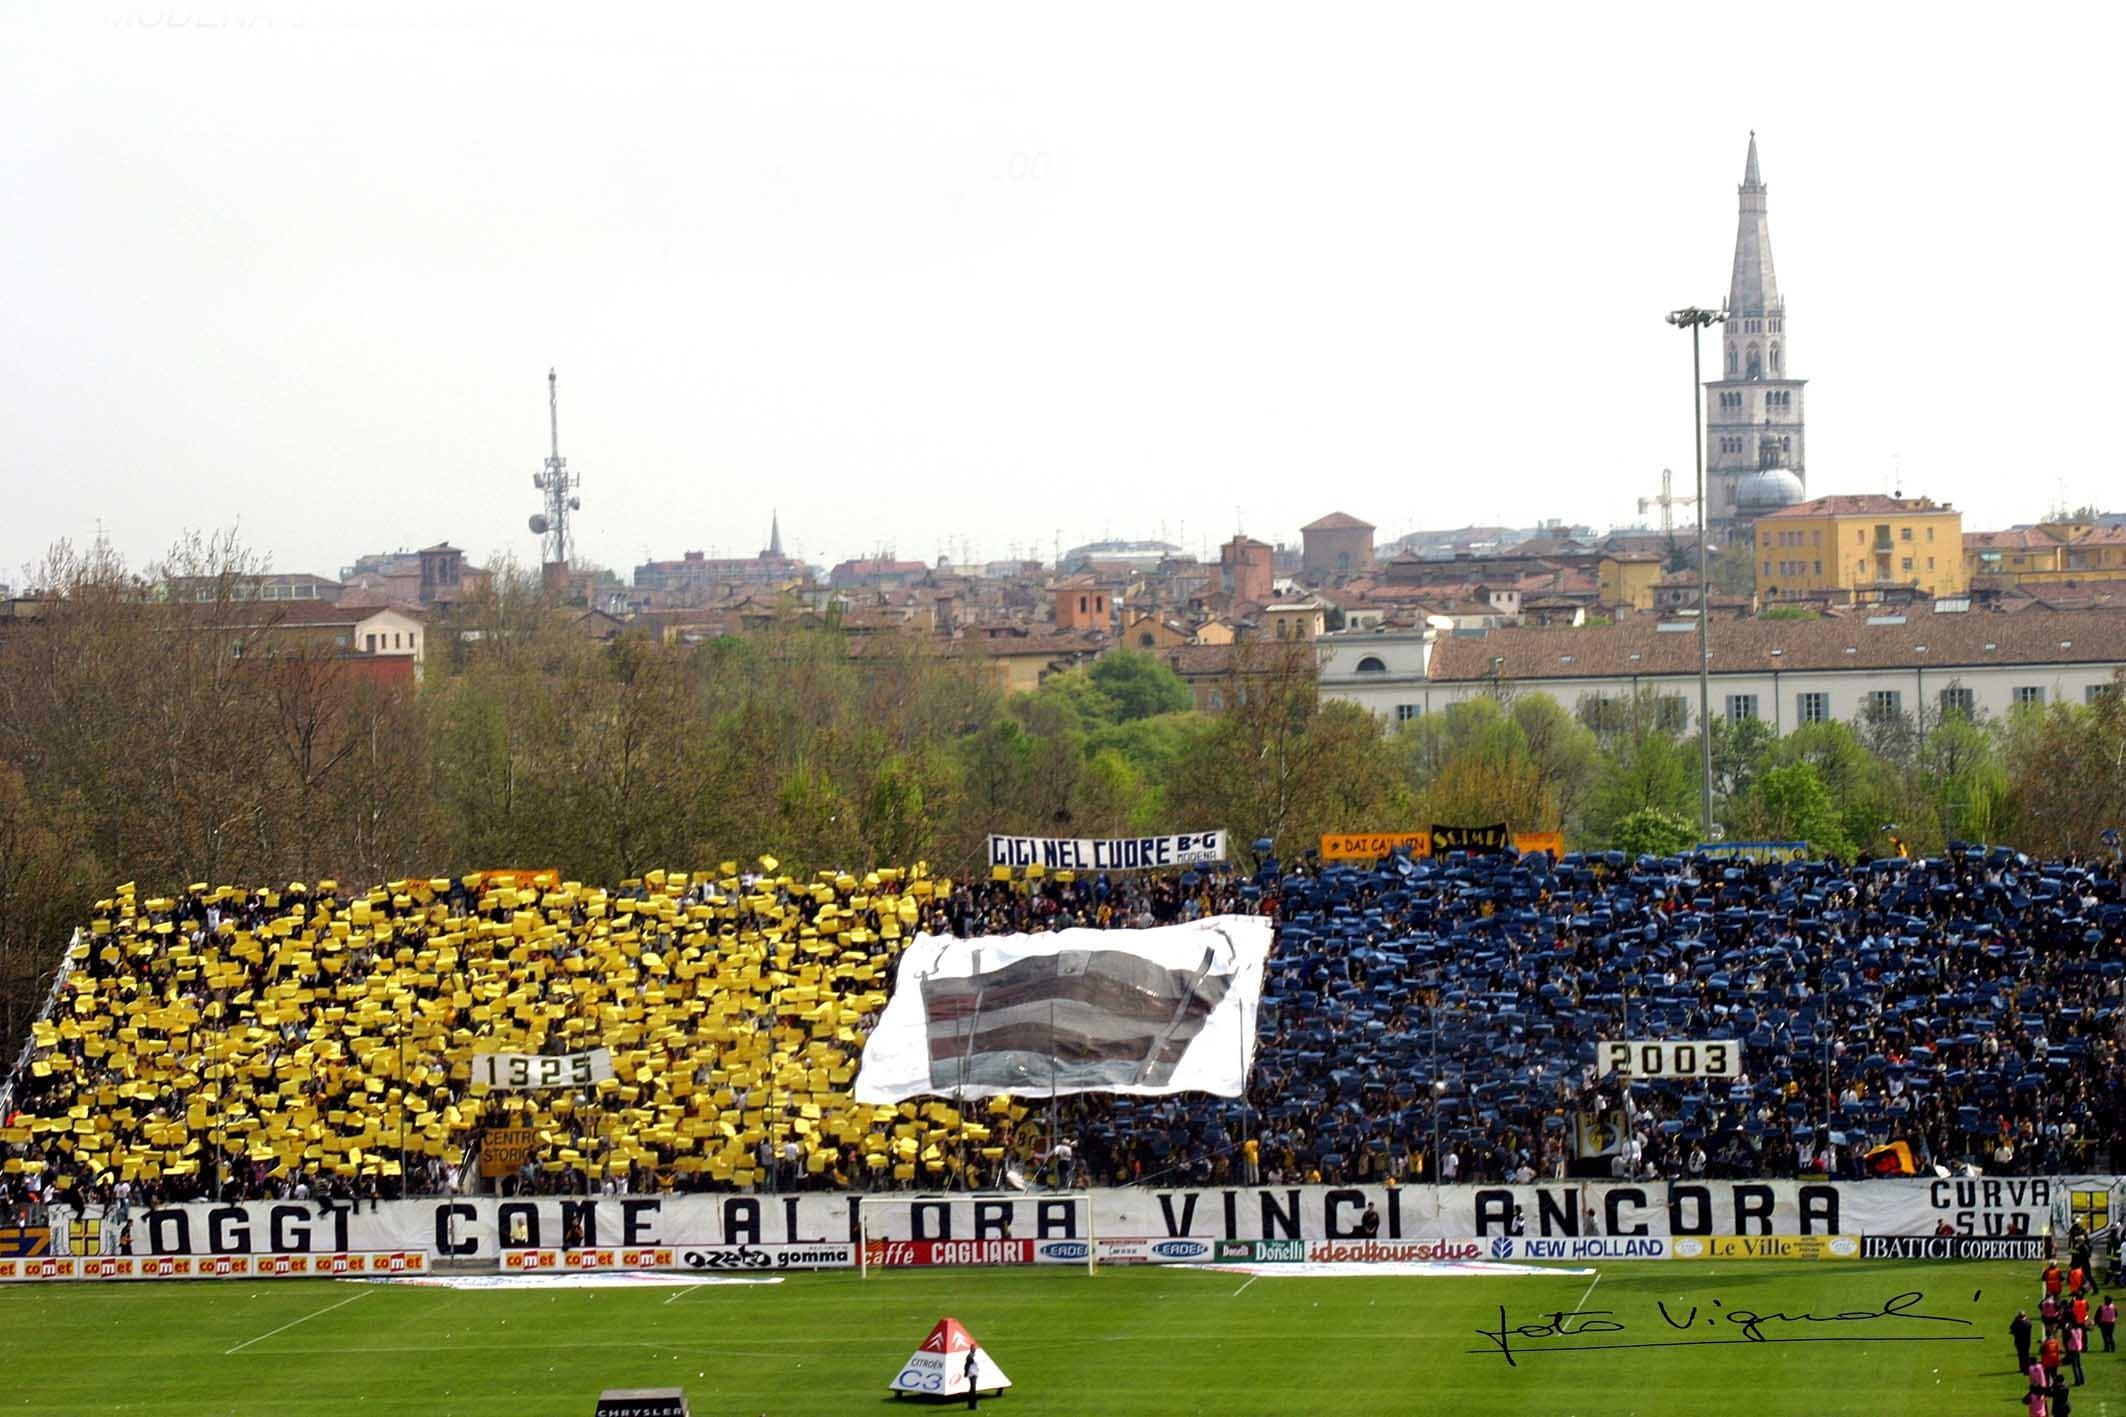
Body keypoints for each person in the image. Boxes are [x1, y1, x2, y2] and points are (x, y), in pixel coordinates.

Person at [2066, 1317, 2086, 1386]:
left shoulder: (2070, 1331)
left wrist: (2067, 1329)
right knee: (2079, 1365)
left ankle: (2078, 1381)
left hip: (2072, 1349)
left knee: (2075, 1366)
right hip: (2078, 1348)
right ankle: (2082, 1380)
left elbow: (2067, 1338)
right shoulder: (2079, 1330)